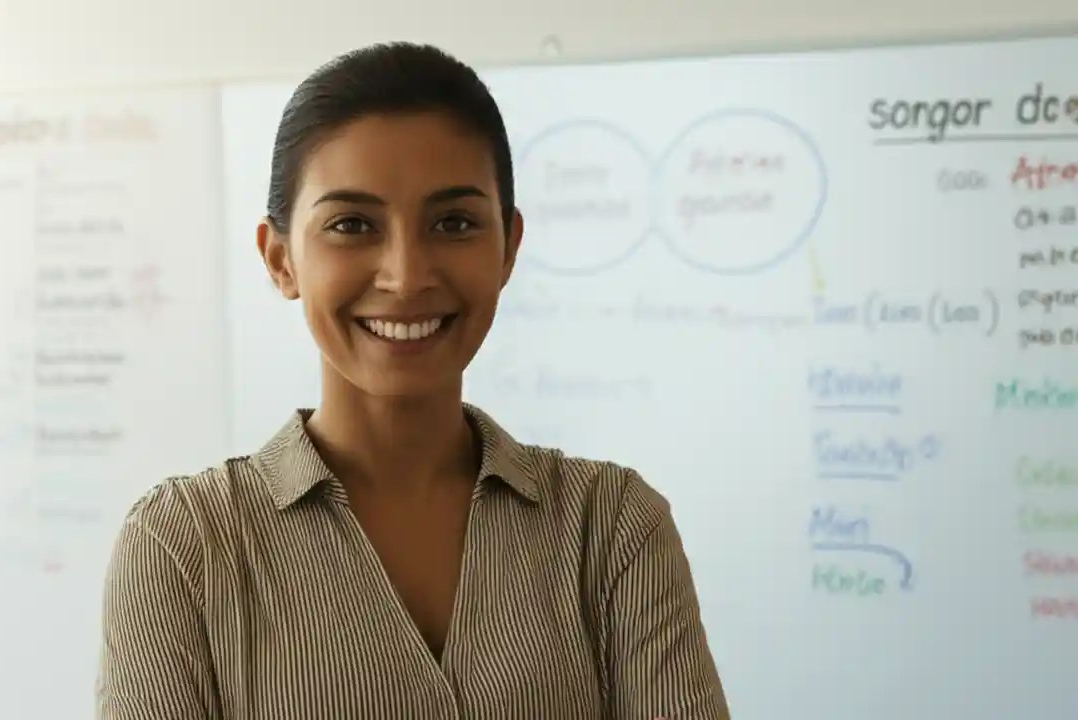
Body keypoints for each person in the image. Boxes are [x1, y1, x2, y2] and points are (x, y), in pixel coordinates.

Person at [96, 41, 729, 719]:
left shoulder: (610, 528)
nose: (405, 275)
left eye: (453, 223)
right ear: (281, 259)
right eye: (352, 225)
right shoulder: (184, 547)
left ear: (508, 248)